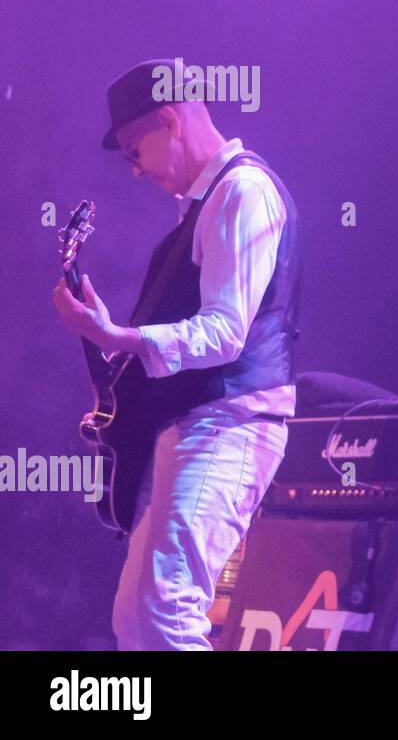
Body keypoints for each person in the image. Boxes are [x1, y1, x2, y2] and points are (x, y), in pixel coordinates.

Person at [52, 59, 302, 649]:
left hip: (230, 424)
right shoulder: (205, 205)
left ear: (170, 119)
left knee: (164, 609)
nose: (135, 172)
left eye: (134, 152)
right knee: (138, 620)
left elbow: (225, 332)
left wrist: (119, 337)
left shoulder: (242, 191)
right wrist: (112, 343)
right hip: (194, 426)